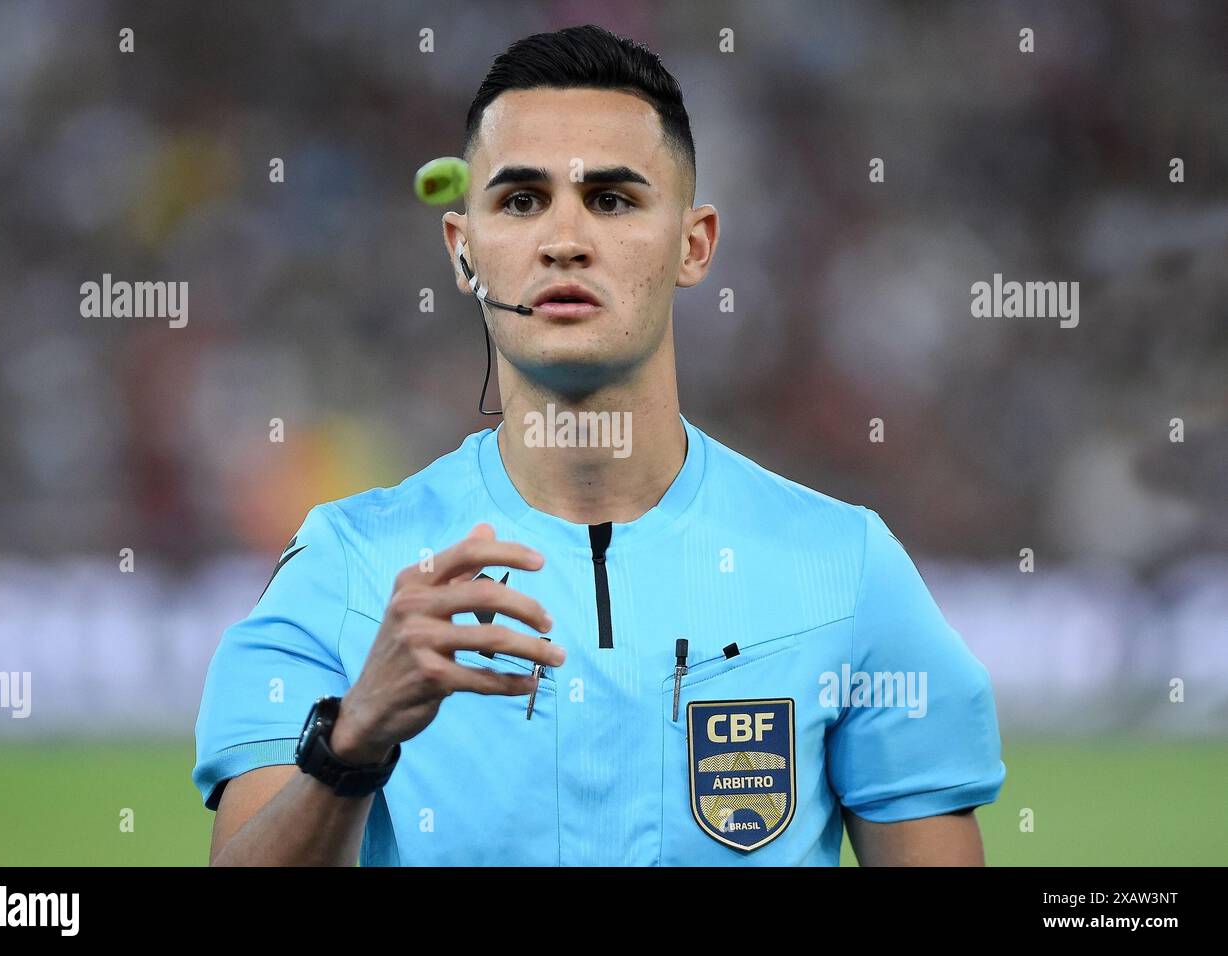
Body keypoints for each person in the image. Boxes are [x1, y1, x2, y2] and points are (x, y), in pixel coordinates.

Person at [193, 23, 1005, 866]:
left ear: (694, 245)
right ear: (463, 252)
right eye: (520, 201)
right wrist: (350, 743)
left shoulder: (846, 568)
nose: (565, 239)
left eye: (612, 200)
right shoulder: (347, 569)